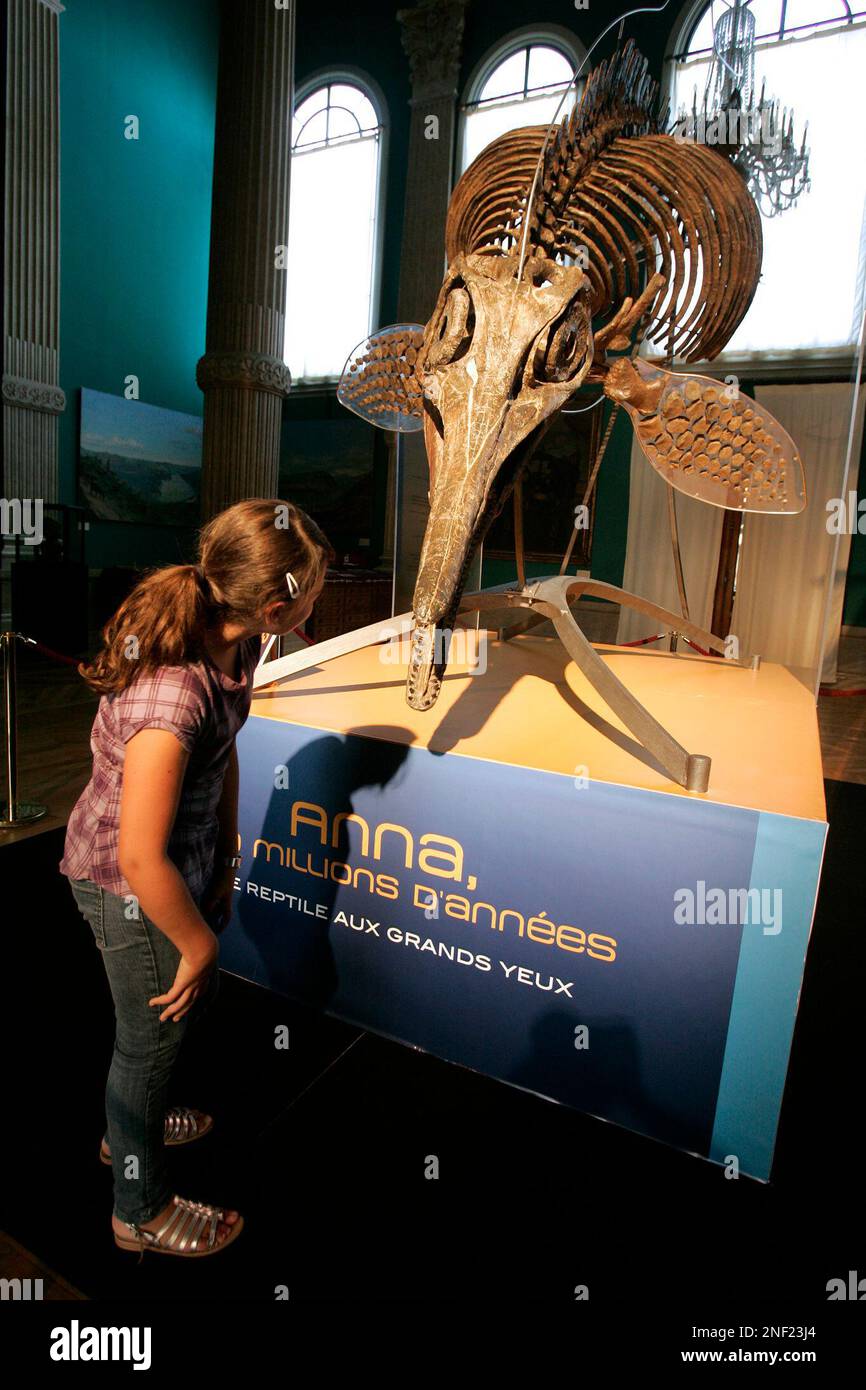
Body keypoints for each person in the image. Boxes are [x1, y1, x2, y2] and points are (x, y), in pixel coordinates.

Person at [60, 498, 333, 1259]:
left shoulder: (237, 645)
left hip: (176, 864)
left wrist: (229, 845)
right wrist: (201, 947)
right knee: (146, 1046)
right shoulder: (173, 693)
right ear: (277, 604)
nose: (319, 599)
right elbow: (141, 858)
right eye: (312, 590)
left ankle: (132, 1128)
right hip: (127, 883)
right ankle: (136, 1209)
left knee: (159, 1040)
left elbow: (226, 748)